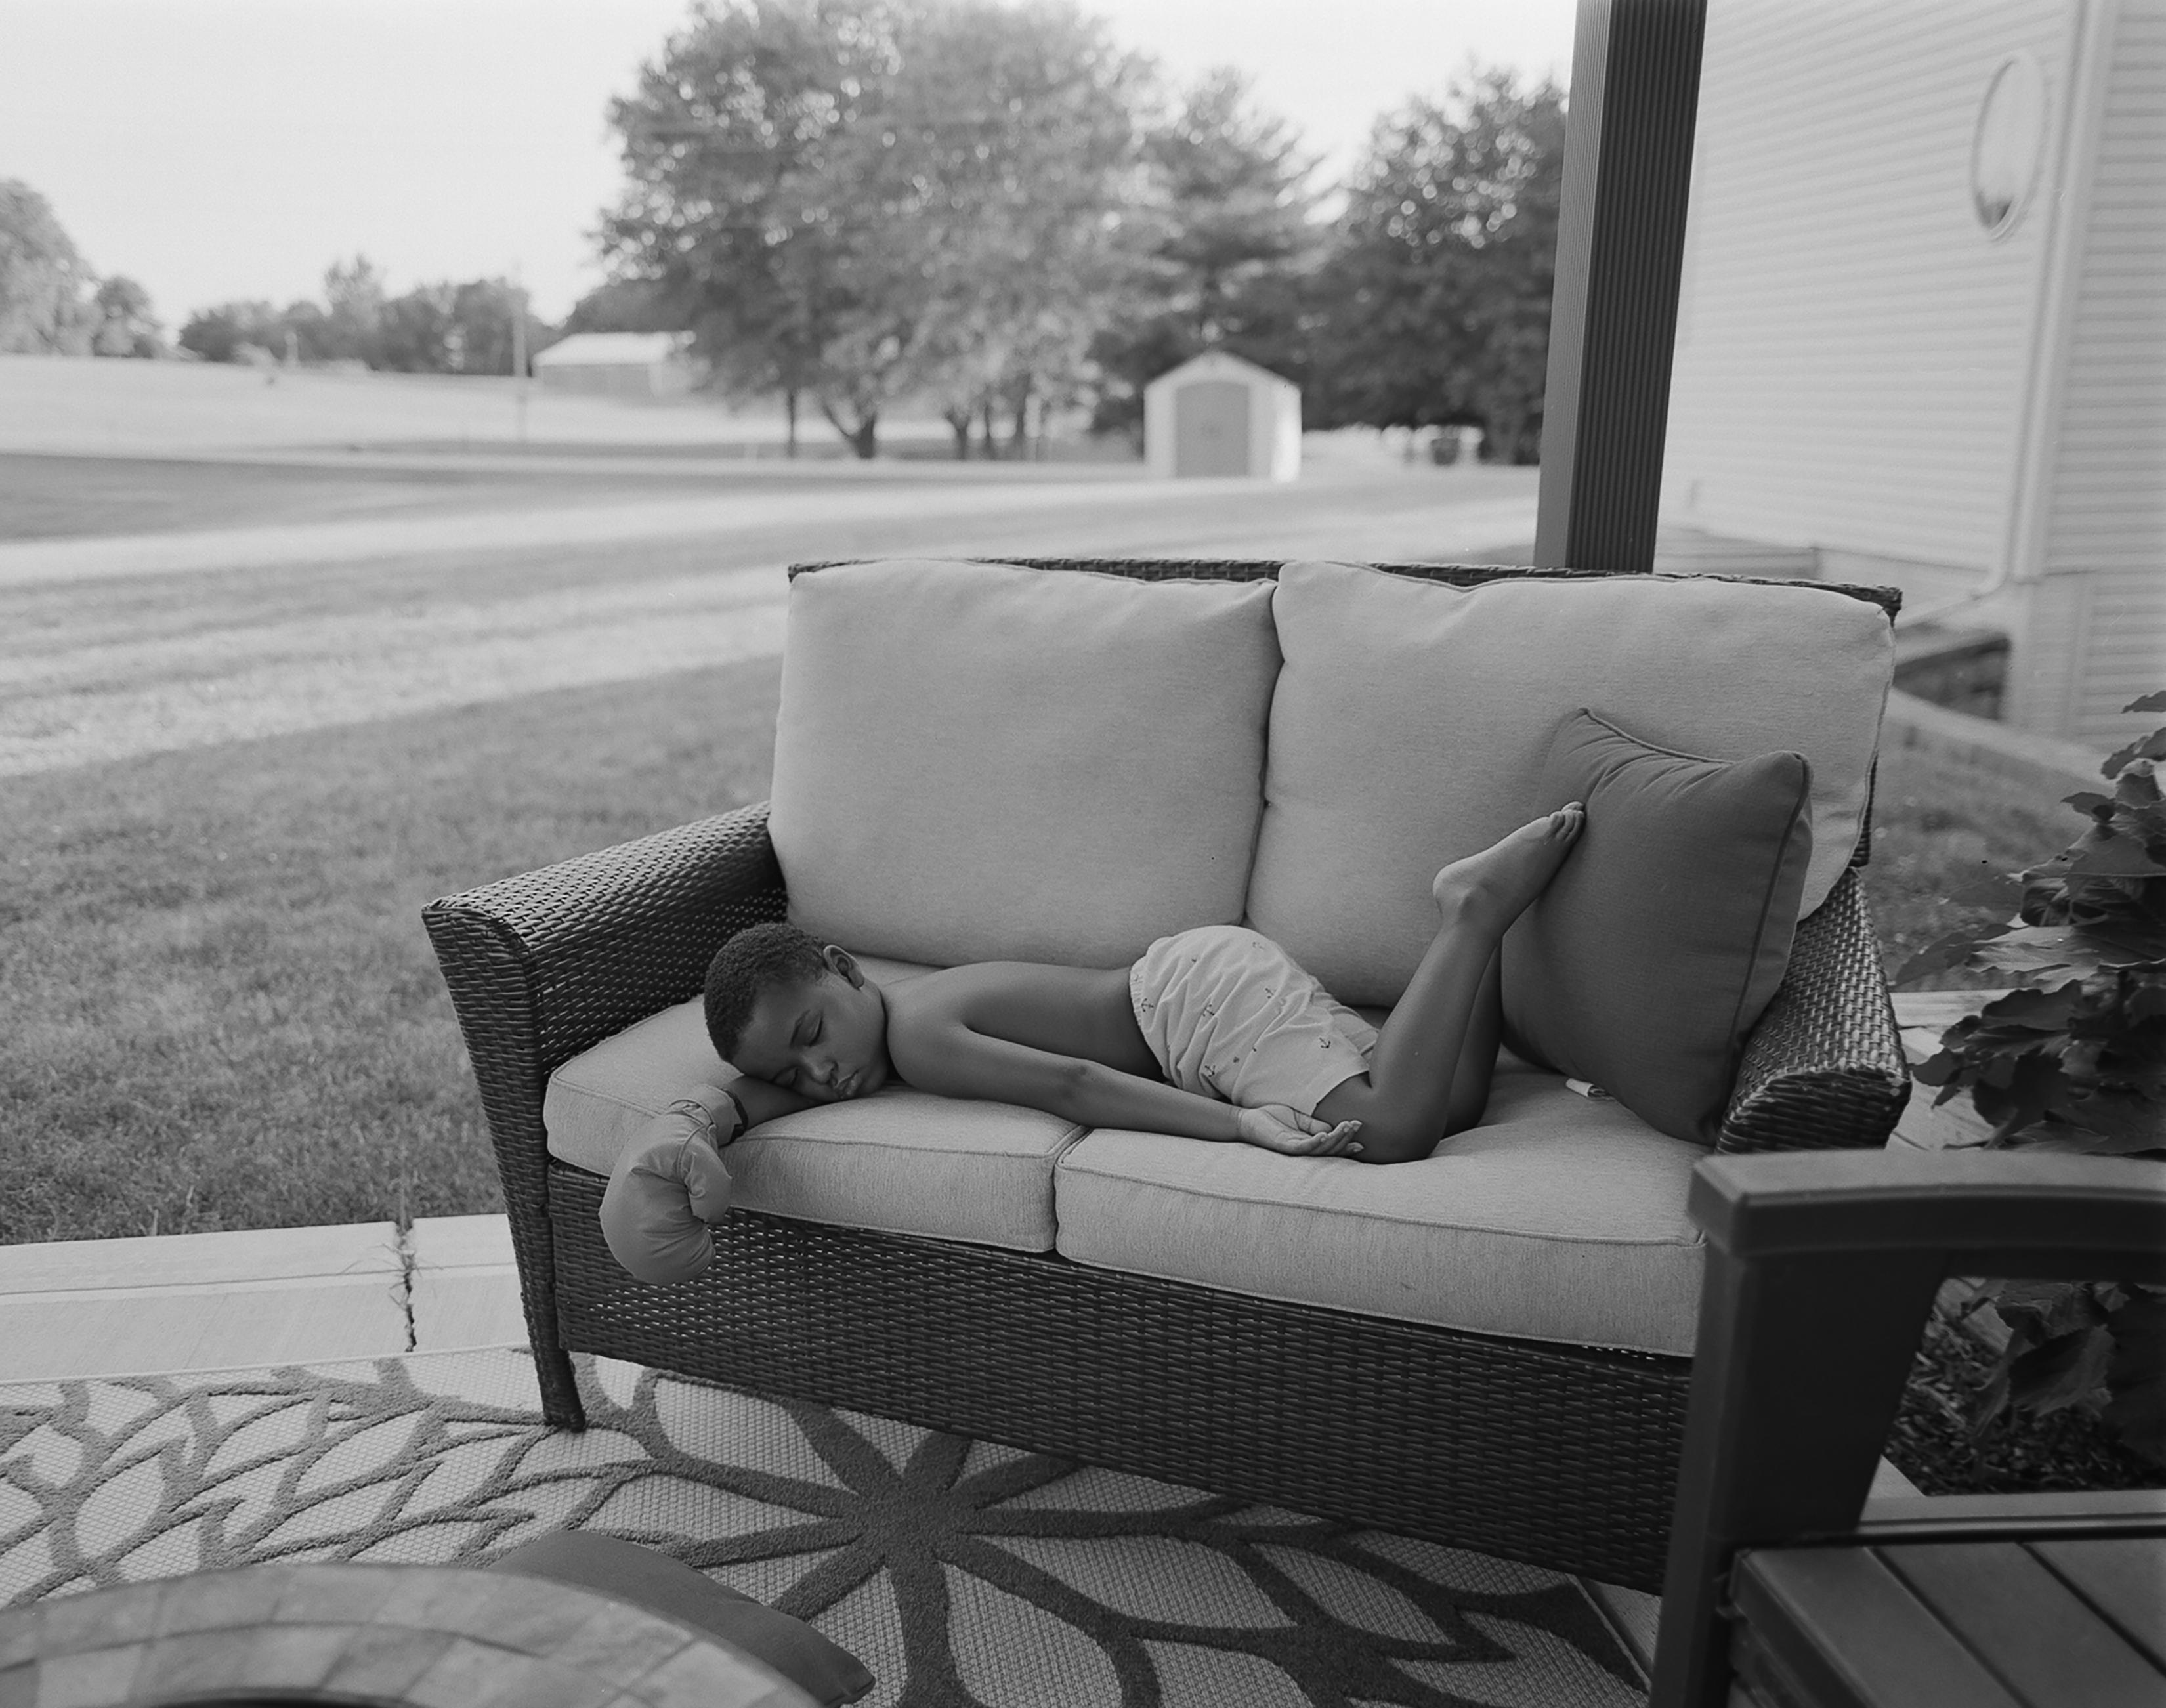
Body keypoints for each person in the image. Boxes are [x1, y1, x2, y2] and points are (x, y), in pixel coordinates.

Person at [600, 805, 1583, 1281]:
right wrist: (708, 1113)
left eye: (812, 1036)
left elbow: (1074, 1084)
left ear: (843, 965)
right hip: (1200, 985)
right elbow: (791, 1082)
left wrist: (1240, 1127)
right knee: (1448, 1104)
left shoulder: (927, 1034)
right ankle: (1485, 949)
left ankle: (1469, 912)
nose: (820, 1074)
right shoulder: (885, 1027)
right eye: (792, 1073)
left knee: (1393, 1133)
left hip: (1195, 1008)